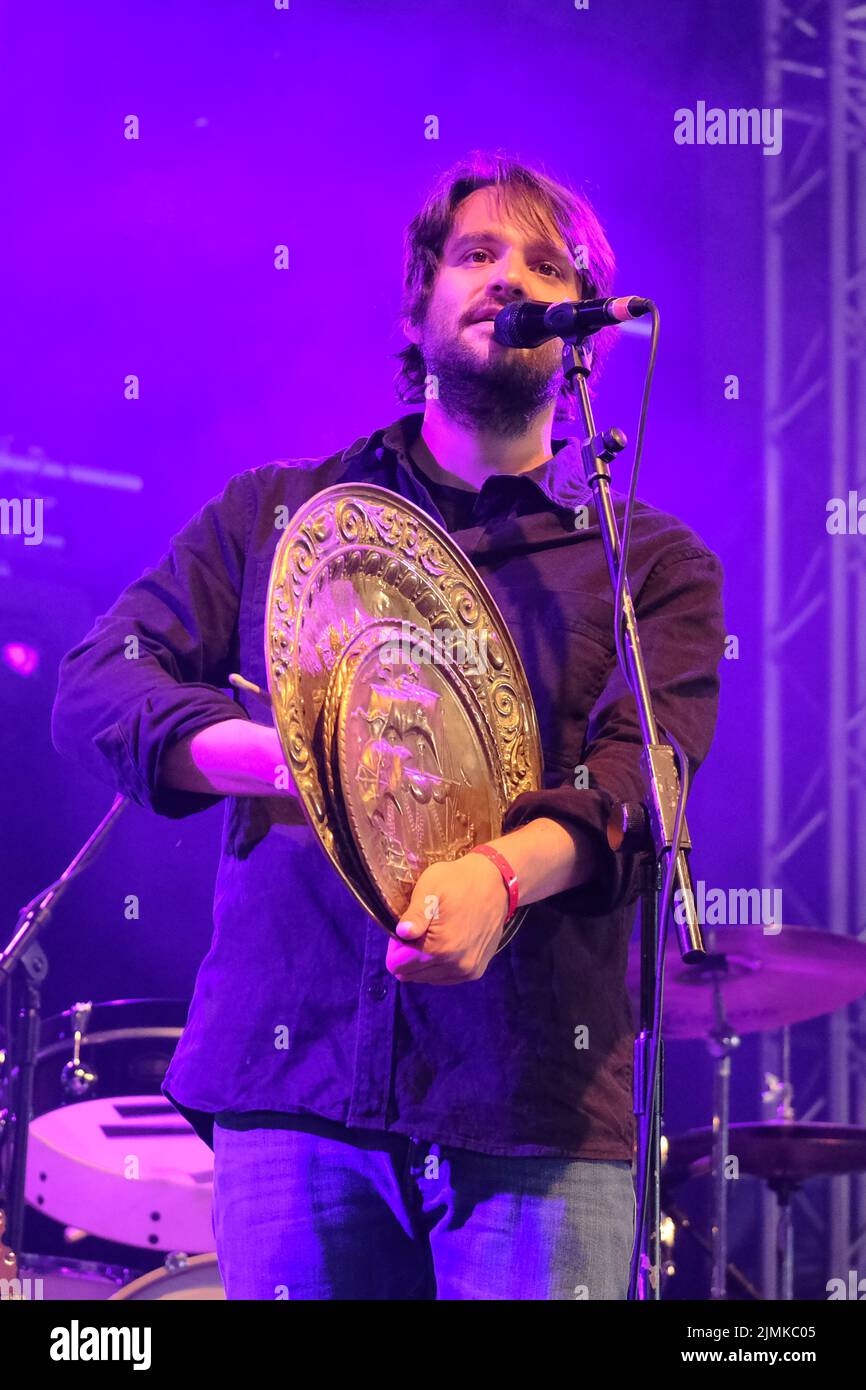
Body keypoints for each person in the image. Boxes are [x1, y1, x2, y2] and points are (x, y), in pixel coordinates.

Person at [52, 151, 726, 1300]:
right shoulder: (274, 514)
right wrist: (304, 762)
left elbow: (635, 779)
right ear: (418, 301)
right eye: (475, 253)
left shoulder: (650, 564)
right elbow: (97, 684)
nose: (507, 278)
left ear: (582, 336)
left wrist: (499, 880)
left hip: (535, 1112)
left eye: (543, 264)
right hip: (295, 1085)